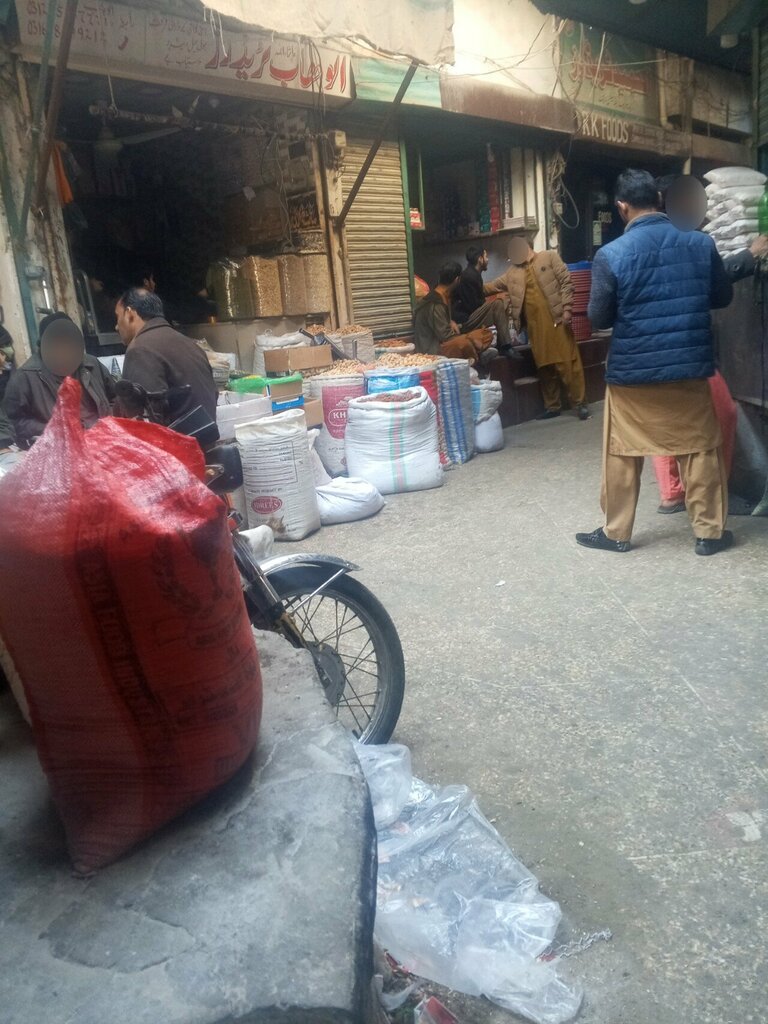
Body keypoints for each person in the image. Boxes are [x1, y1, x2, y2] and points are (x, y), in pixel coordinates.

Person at [576, 168, 734, 556]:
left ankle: (616, 533)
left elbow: (599, 318)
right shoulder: (700, 243)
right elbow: (721, 297)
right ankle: (709, 535)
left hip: (633, 373)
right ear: (660, 201)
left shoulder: (611, 254)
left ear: (621, 207)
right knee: (698, 449)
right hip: (690, 369)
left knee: (622, 450)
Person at [651, 173, 752, 515]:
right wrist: (748, 257)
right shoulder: (691, 241)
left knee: (666, 419)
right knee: (722, 413)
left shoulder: (637, 242)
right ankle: (713, 495)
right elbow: (717, 289)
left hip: (652, 354)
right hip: (686, 348)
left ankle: (673, 491)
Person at [485, 235, 588, 420]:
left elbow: (566, 281)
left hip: (557, 321)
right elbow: (492, 286)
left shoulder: (549, 257)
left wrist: (567, 310)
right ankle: (552, 406)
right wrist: (467, 284)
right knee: (544, 367)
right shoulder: (512, 273)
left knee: (568, 364)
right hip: (534, 327)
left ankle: (579, 403)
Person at [115, 287, 218, 435]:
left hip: (175, 452)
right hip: (203, 445)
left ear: (130, 314)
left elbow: (144, 422)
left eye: (118, 317)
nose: (117, 326)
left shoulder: (140, 349)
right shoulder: (190, 344)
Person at [4, 313, 116, 448]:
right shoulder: (25, 377)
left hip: (103, 442)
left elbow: (115, 398)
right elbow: (14, 422)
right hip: (59, 450)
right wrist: (54, 429)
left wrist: (107, 421)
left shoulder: (91, 364)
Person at [413, 262, 497, 370]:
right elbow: (445, 336)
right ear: (457, 280)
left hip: (442, 342)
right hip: (431, 350)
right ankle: (477, 358)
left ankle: (474, 352)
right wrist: (468, 338)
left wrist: (451, 322)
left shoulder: (443, 296)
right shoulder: (434, 303)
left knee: (485, 334)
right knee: (465, 342)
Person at [452, 246, 521, 359]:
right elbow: (472, 306)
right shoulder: (470, 276)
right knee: (498, 303)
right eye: (486, 256)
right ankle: (505, 346)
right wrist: (490, 304)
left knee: (499, 303)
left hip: (471, 315)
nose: (487, 259)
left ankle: (504, 344)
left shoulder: (473, 274)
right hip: (466, 321)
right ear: (480, 259)